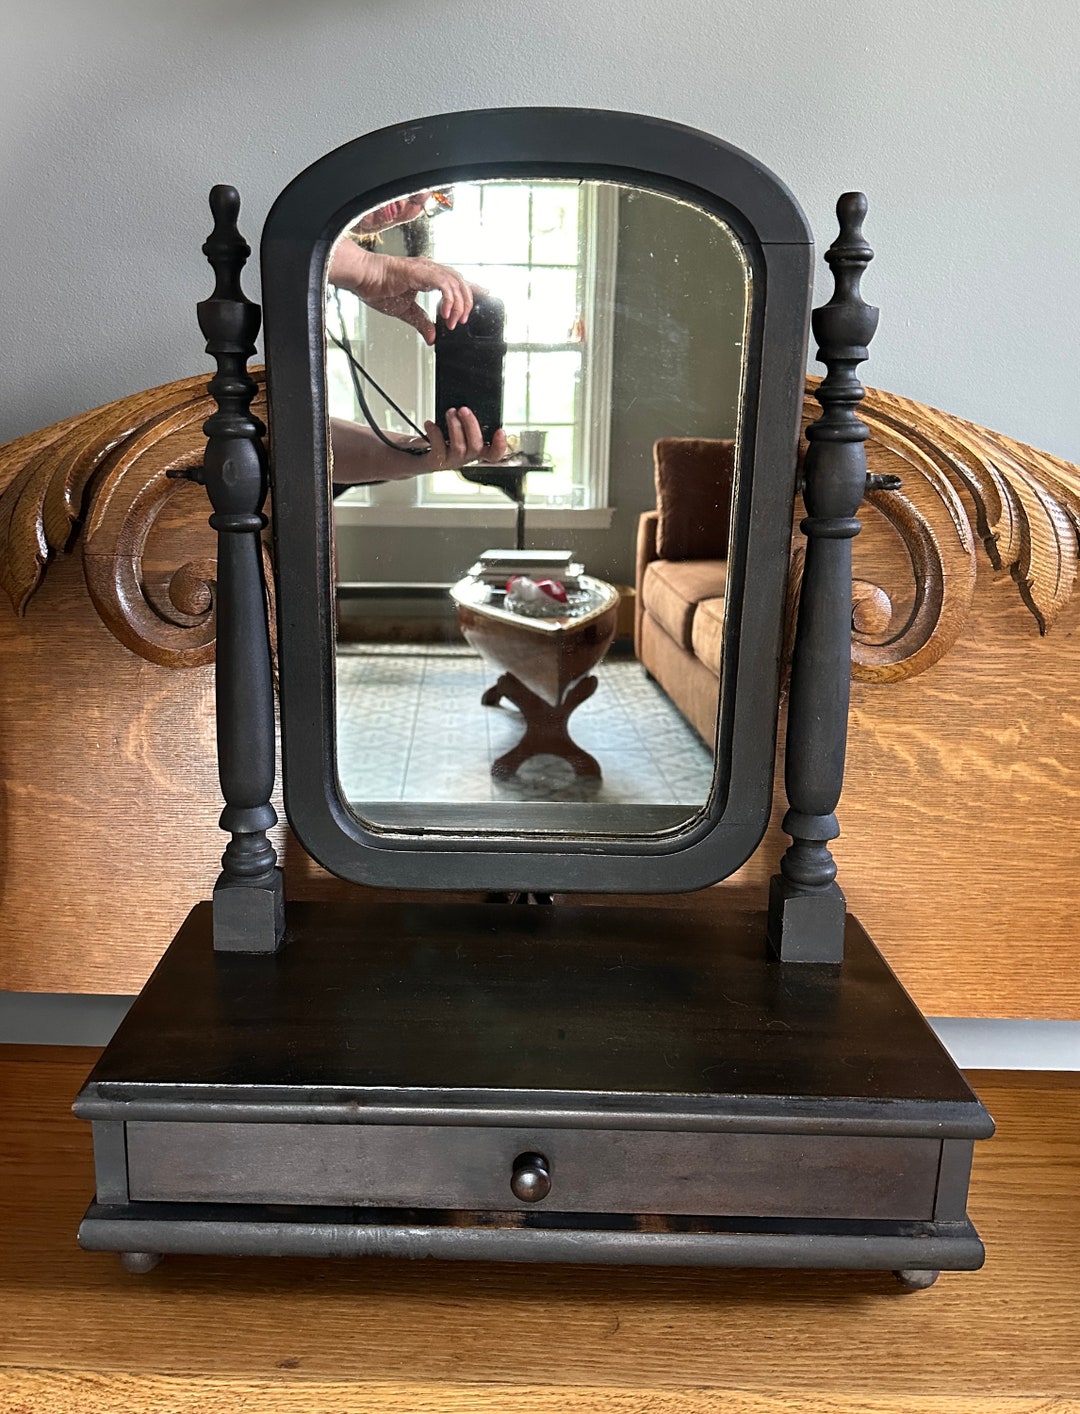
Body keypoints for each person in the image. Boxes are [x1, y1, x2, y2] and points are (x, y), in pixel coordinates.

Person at [327, 192, 508, 483]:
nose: (419, 198)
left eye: (437, 198)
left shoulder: (322, 274)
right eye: (437, 190)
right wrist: (369, 270)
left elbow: (298, 439)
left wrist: (423, 454)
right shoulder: (295, 243)